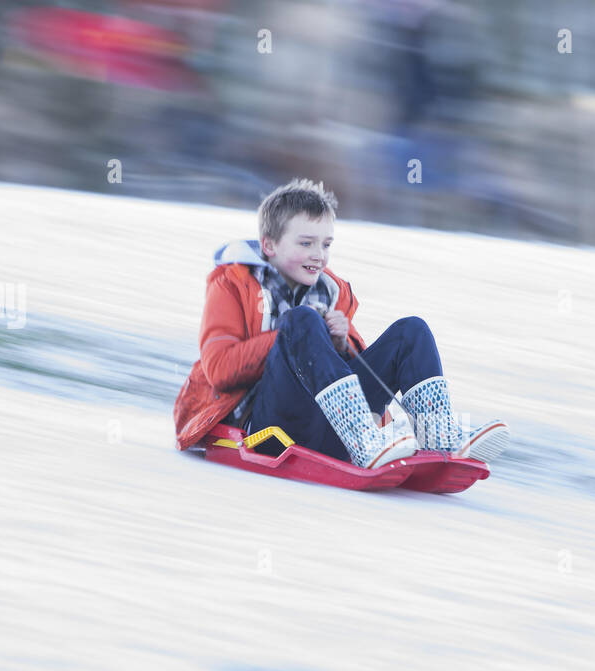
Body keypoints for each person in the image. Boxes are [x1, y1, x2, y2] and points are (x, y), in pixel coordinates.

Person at [173, 178, 510, 469]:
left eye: (326, 244)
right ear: (269, 246)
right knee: (301, 320)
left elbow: (354, 370)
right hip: (269, 428)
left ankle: (438, 435)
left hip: (334, 426)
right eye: (306, 243)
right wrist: (289, 337)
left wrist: (338, 343)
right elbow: (219, 370)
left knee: (412, 330)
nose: (319, 255)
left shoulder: (332, 291)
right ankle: (363, 439)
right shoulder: (233, 284)